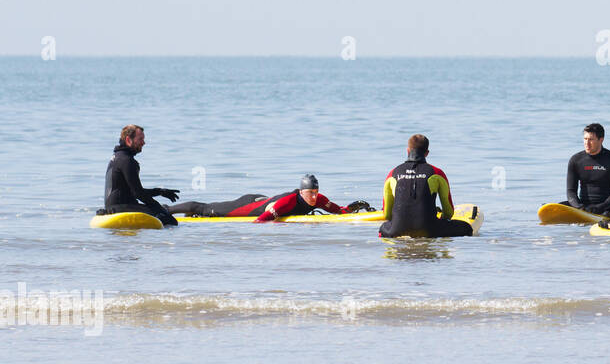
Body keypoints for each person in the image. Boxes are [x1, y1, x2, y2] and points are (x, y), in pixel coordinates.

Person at [379, 134, 473, 238]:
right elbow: (448, 212)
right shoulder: (437, 173)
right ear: (427, 153)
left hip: (396, 231)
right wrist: (441, 219)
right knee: (467, 228)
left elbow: (387, 214)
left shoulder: (392, 173)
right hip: (430, 231)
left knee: (383, 228)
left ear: (407, 150)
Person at [166, 175, 347, 221]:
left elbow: (340, 212)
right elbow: (261, 221)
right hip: (249, 206)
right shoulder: (289, 201)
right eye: (310, 193)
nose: (314, 197)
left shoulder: (321, 199)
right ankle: (166, 209)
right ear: (301, 192)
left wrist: (352, 209)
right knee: (206, 209)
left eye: (316, 192)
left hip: (263, 199)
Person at [102, 125, 180, 226]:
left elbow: (133, 191)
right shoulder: (127, 161)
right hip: (121, 208)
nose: (144, 142)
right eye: (140, 139)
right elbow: (138, 193)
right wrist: (158, 208)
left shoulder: (117, 157)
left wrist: (160, 192)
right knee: (171, 222)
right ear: (128, 140)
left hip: (114, 207)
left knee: (162, 213)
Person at [561, 123, 610, 218]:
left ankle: (609, 221)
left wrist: (599, 207)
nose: (587, 143)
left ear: (601, 140)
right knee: (554, 208)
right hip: (583, 206)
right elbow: (571, 191)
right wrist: (578, 207)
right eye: (585, 139)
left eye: (591, 140)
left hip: (607, 207)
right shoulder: (576, 160)